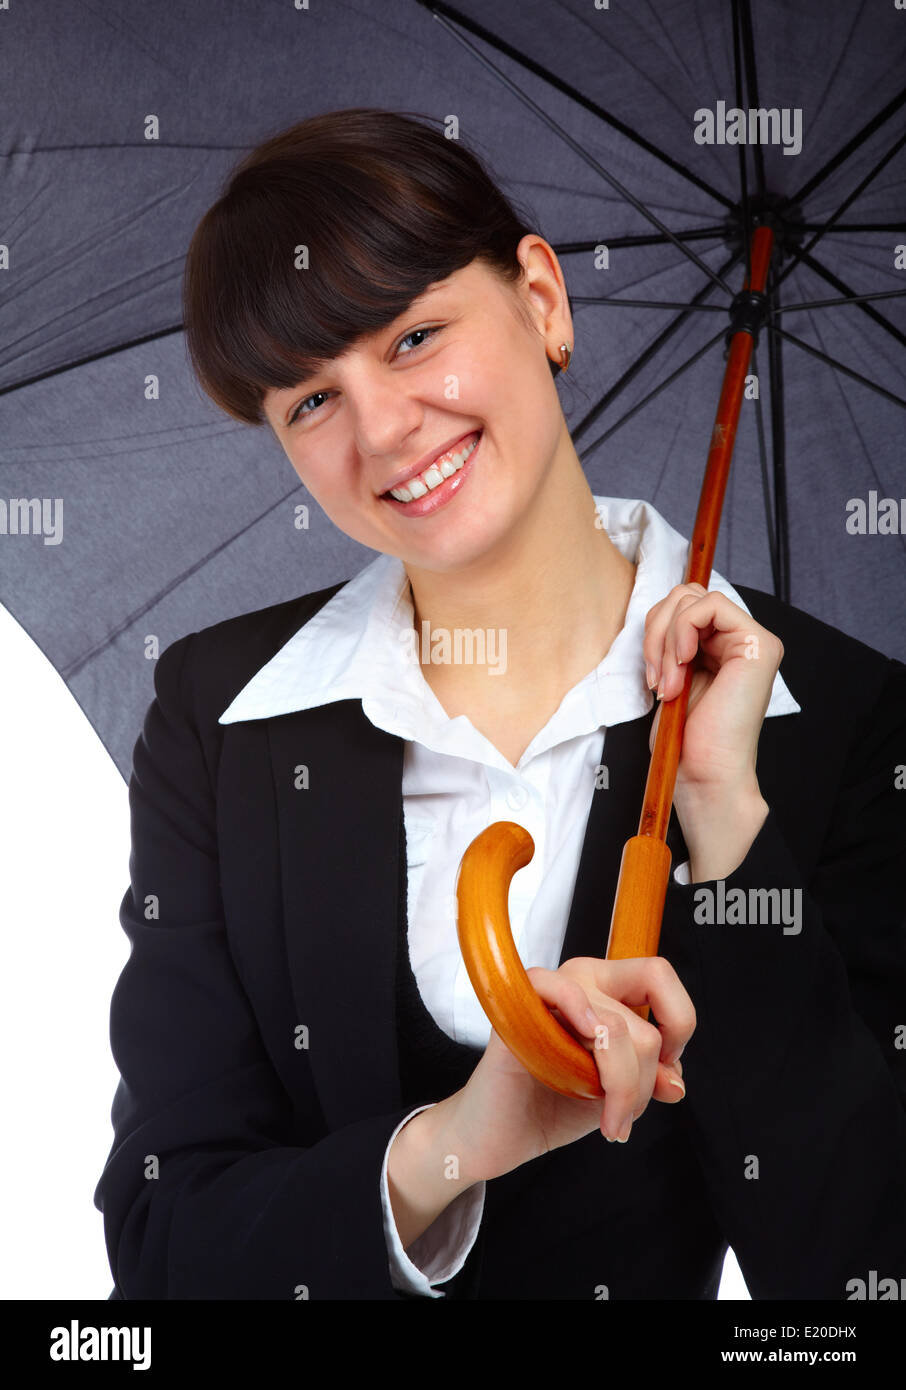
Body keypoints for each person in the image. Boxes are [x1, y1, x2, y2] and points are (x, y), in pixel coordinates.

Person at [94, 107, 906, 1300]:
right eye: (309, 402)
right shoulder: (223, 720)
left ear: (540, 297)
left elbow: (861, 1278)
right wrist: (452, 1145)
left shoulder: (834, 718)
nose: (380, 430)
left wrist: (728, 819)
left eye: (414, 336)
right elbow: (162, 1249)